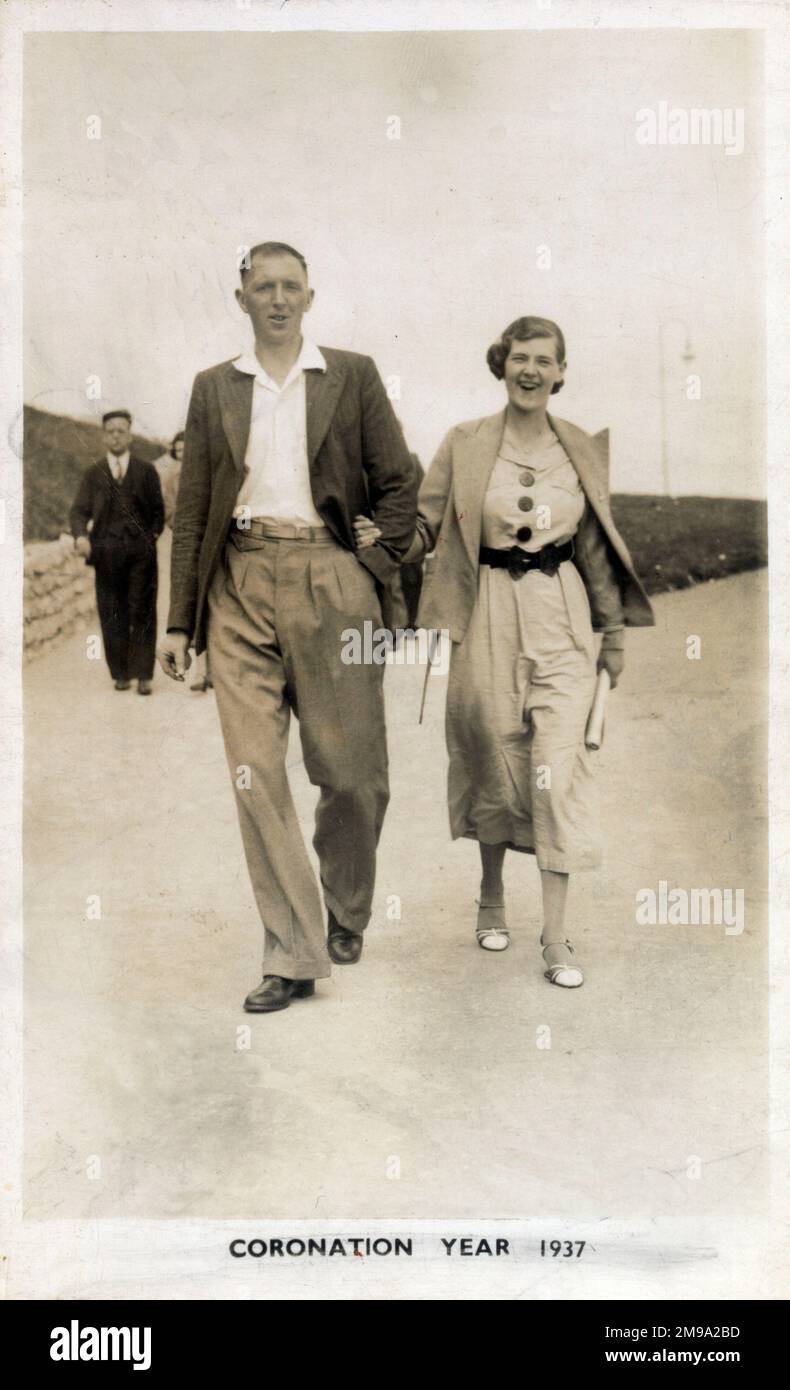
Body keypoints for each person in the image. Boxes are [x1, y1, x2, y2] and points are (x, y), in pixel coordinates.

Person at [355, 316, 654, 987]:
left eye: (544, 360)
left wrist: (612, 635)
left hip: (562, 612)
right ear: (502, 363)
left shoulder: (579, 447)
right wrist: (387, 540)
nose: (531, 370)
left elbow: (597, 551)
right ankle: (491, 894)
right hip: (486, 607)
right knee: (489, 746)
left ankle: (555, 937)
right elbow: (426, 526)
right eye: (520, 357)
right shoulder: (465, 442)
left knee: (558, 765)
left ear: (561, 371)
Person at [156, 241, 416, 1013]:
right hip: (238, 581)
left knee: (352, 774)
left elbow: (400, 481)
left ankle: (346, 906)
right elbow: (193, 506)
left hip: (332, 576)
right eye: (262, 286)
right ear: (241, 299)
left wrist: (380, 552)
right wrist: (180, 625)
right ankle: (292, 949)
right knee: (254, 772)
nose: (276, 298)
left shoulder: (354, 375)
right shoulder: (214, 389)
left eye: (290, 287)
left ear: (311, 298)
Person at [70, 409, 164, 695]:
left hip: (140, 555)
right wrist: (80, 537)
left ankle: (144, 674)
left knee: (142, 610)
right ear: (103, 436)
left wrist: (150, 538)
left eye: (120, 430)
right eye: (110, 431)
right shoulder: (93, 473)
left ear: (130, 434)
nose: (115, 436)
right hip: (106, 554)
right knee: (112, 613)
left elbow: (158, 512)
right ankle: (121, 672)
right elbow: (78, 511)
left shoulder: (146, 471)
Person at [161, 430, 213, 692]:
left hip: (212, 546)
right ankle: (200, 673)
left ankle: (211, 668)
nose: (183, 456)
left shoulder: (210, 473)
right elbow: (170, 510)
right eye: (179, 451)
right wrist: (187, 532)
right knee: (193, 607)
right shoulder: (171, 478)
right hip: (190, 545)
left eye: (187, 450)